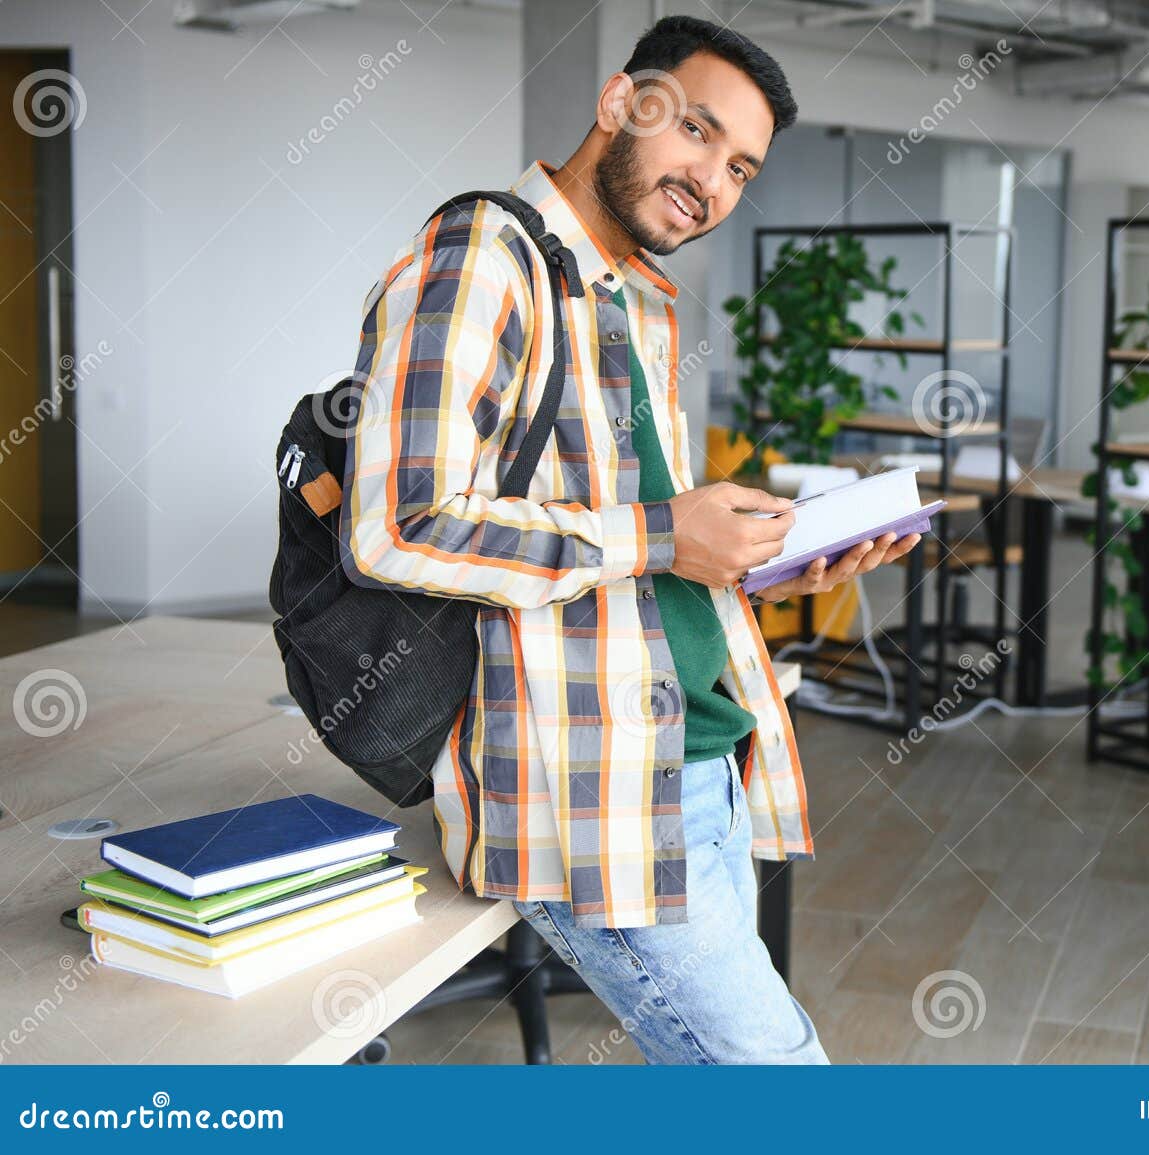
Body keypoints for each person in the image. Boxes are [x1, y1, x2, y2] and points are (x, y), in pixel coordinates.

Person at [339, 14, 919, 1063]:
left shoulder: (628, 300)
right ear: (619, 104)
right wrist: (660, 536)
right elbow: (397, 527)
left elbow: (632, 557)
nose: (714, 181)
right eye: (696, 132)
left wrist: (772, 565)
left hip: (700, 764)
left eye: (740, 167)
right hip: (594, 800)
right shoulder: (480, 260)